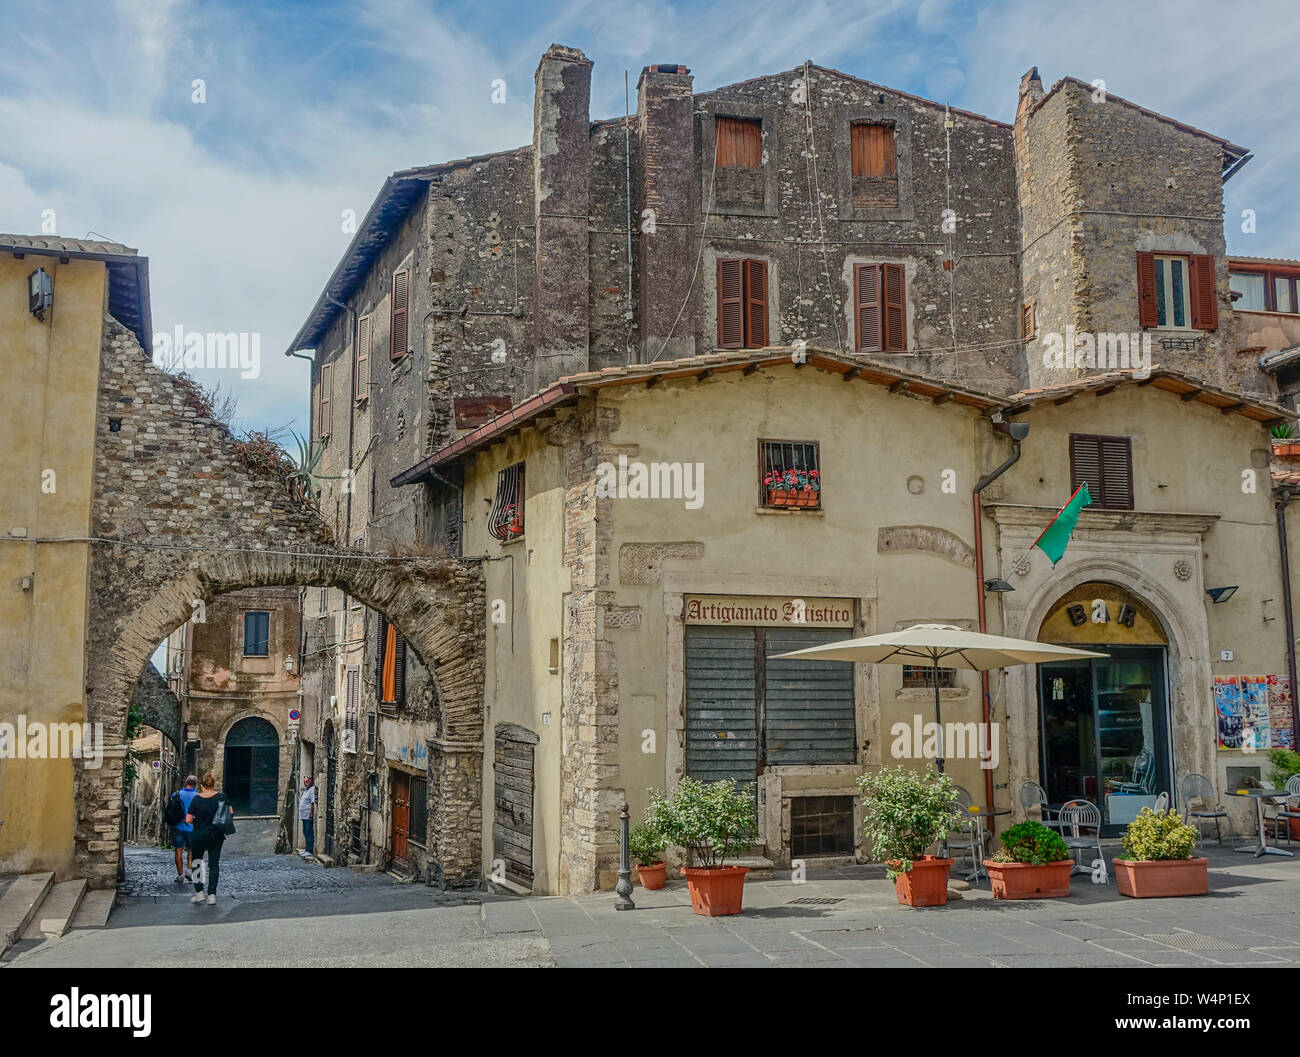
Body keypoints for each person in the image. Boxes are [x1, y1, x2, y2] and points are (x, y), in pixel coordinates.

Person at [186, 772, 233, 905]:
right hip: (216, 835)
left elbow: (188, 819)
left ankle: (199, 893)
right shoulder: (222, 797)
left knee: (197, 863)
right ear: (213, 784)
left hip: (199, 835)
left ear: (201, 786)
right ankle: (212, 895)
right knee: (214, 864)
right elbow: (230, 812)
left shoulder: (196, 799)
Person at [163, 775, 201, 883]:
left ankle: (180, 875)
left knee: (178, 851)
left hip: (178, 826)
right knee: (191, 850)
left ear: (185, 783)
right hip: (192, 828)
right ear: (195, 784)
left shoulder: (177, 794)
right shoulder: (197, 797)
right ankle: (189, 870)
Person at [298, 775, 317, 855]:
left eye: (307, 781)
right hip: (303, 815)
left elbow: (312, 803)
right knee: (305, 832)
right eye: (304, 782)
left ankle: (309, 850)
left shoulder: (312, 789)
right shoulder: (306, 790)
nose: (305, 783)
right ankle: (306, 848)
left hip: (307, 815)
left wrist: (311, 813)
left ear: (311, 781)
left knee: (308, 832)